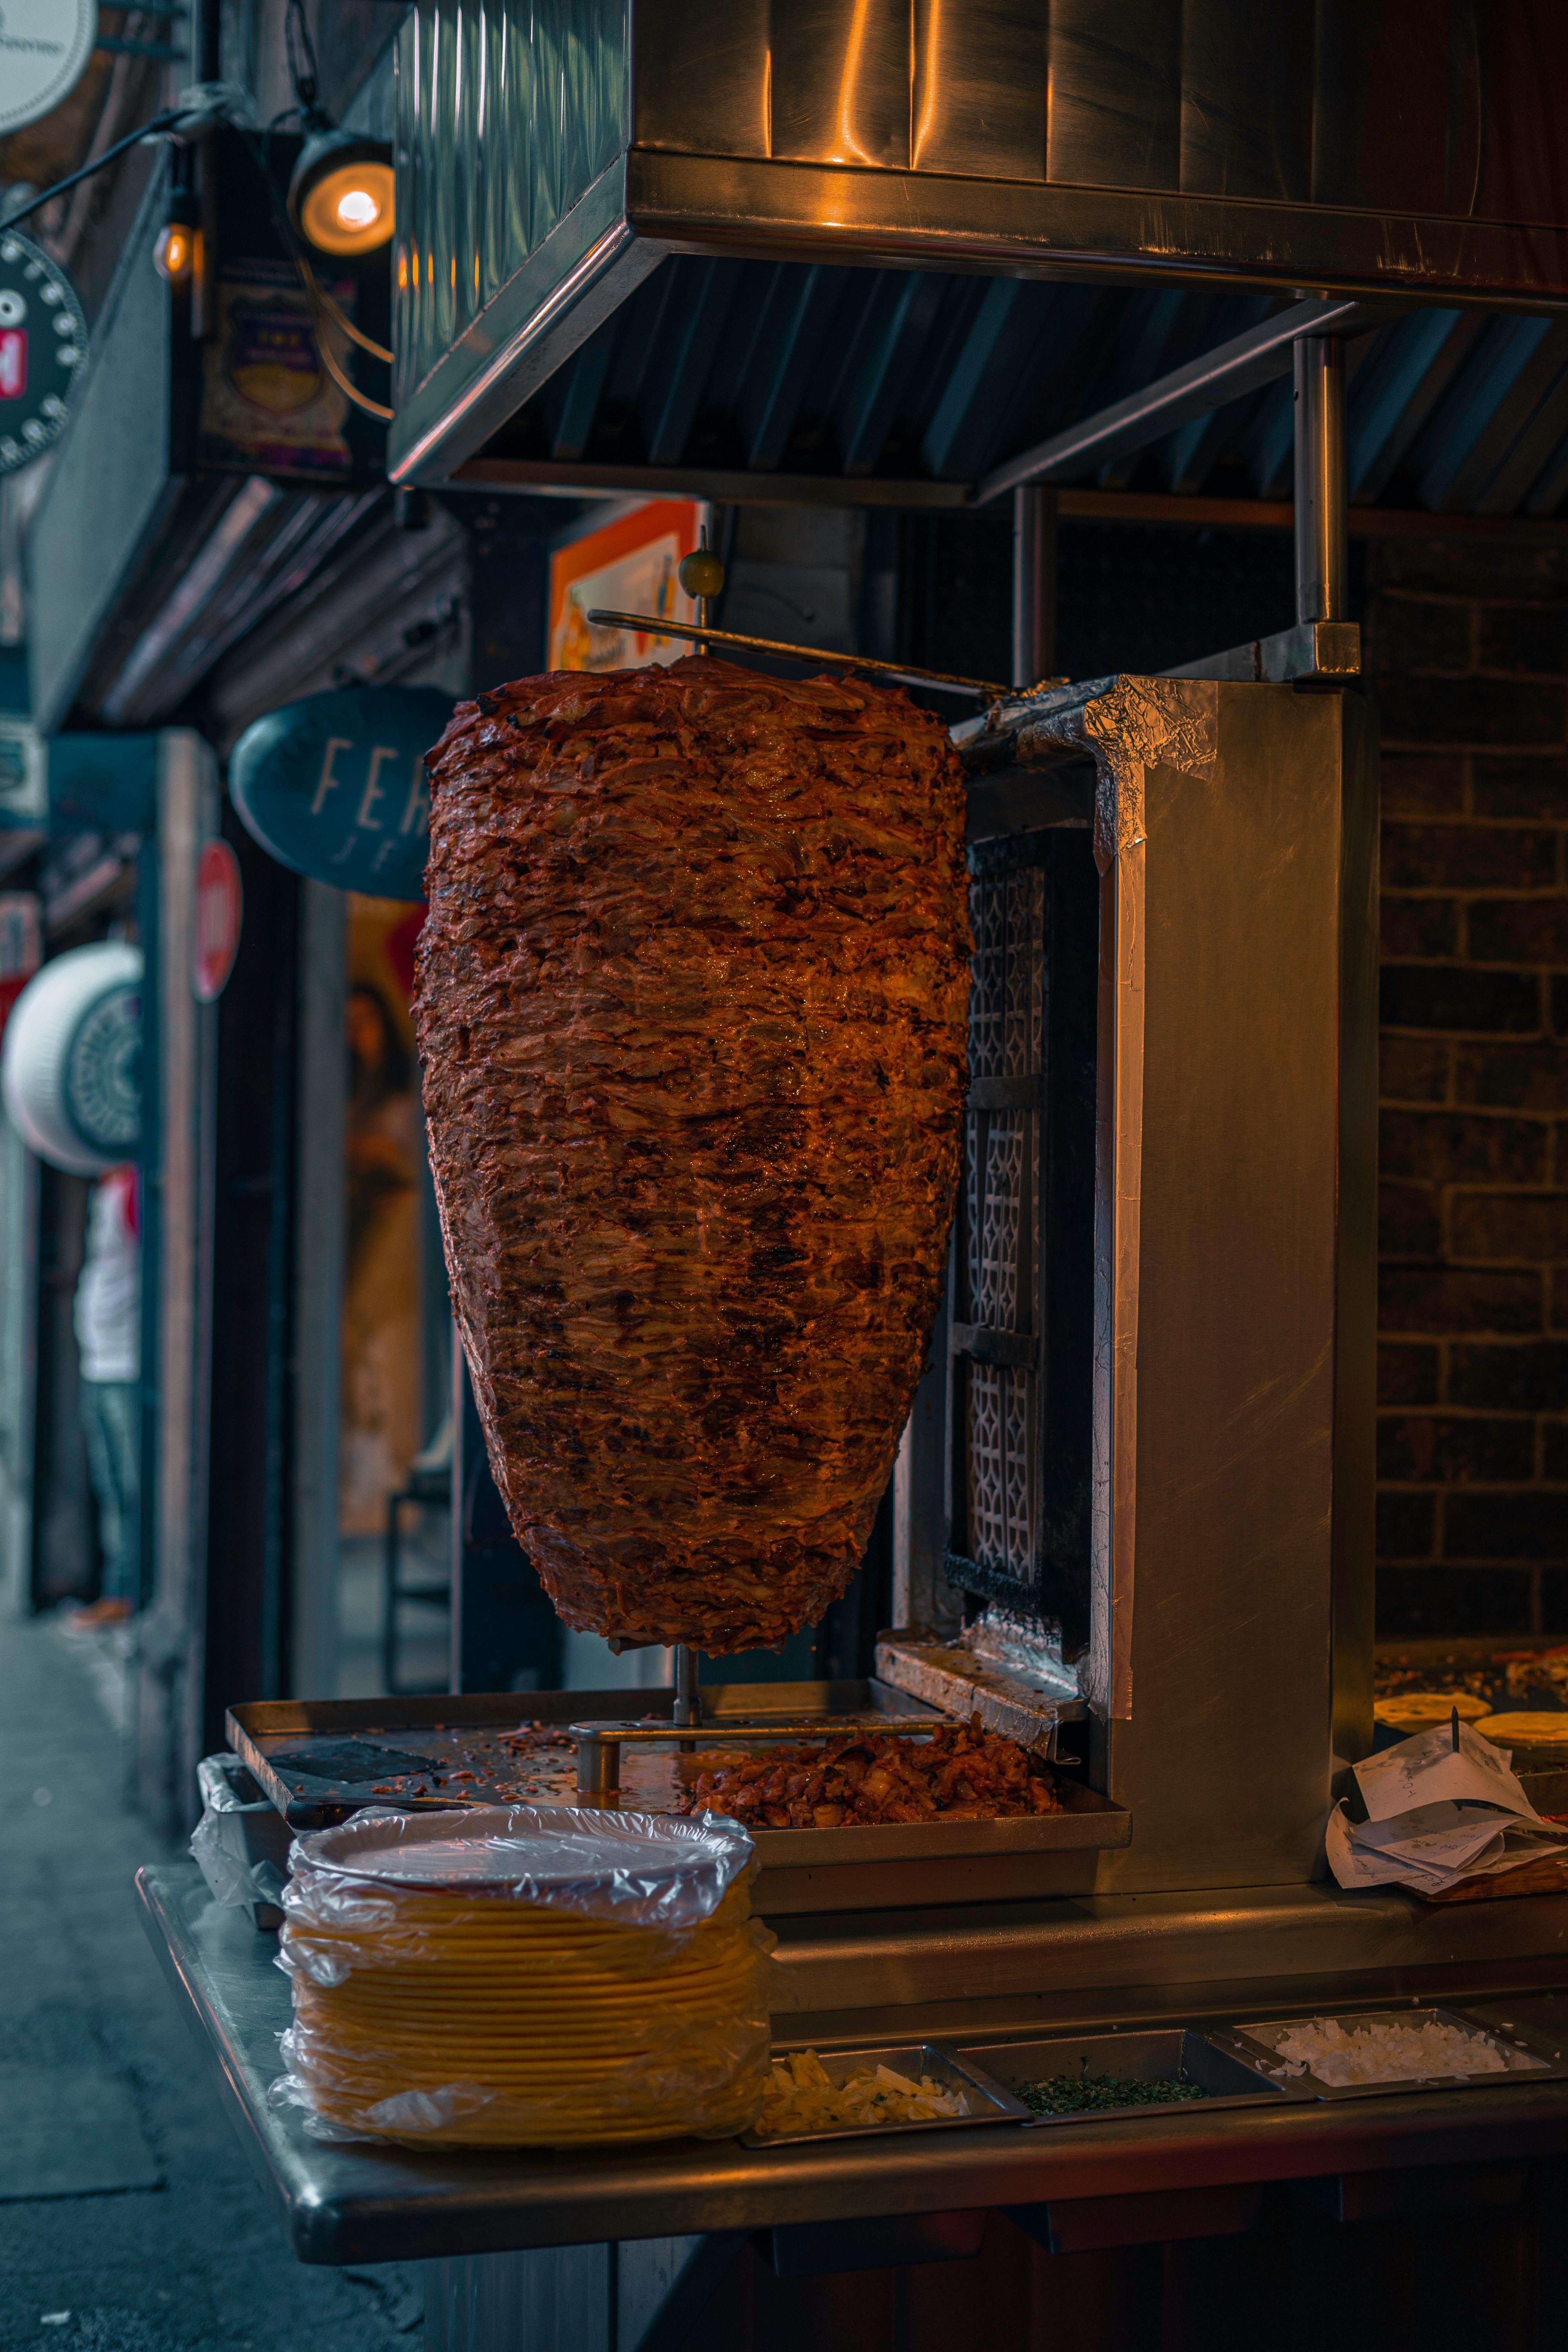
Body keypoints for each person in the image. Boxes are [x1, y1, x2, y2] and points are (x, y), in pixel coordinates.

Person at [71, 1162, 140, 1626]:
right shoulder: (106, 1189)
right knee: (111, 1485)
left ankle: (127, 1591)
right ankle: (117, 1588)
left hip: (125, 1362)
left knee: (129, 1489)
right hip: (99, 1360)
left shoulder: (133, 1186)